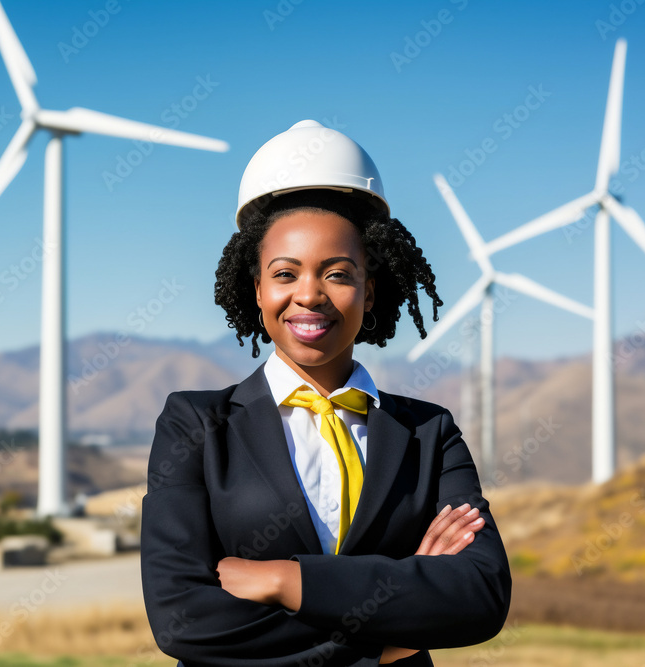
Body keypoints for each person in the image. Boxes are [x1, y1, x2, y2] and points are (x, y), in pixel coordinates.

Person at [140, 120, 512, 666]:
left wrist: (285, 581)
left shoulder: (429, 433)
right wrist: (391, 635)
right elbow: (181, 618)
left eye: (337, 274)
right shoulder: (194, 424)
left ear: (370, 289)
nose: (309, 295)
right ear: (257, 289)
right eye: (285, 274)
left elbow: (480, 595)